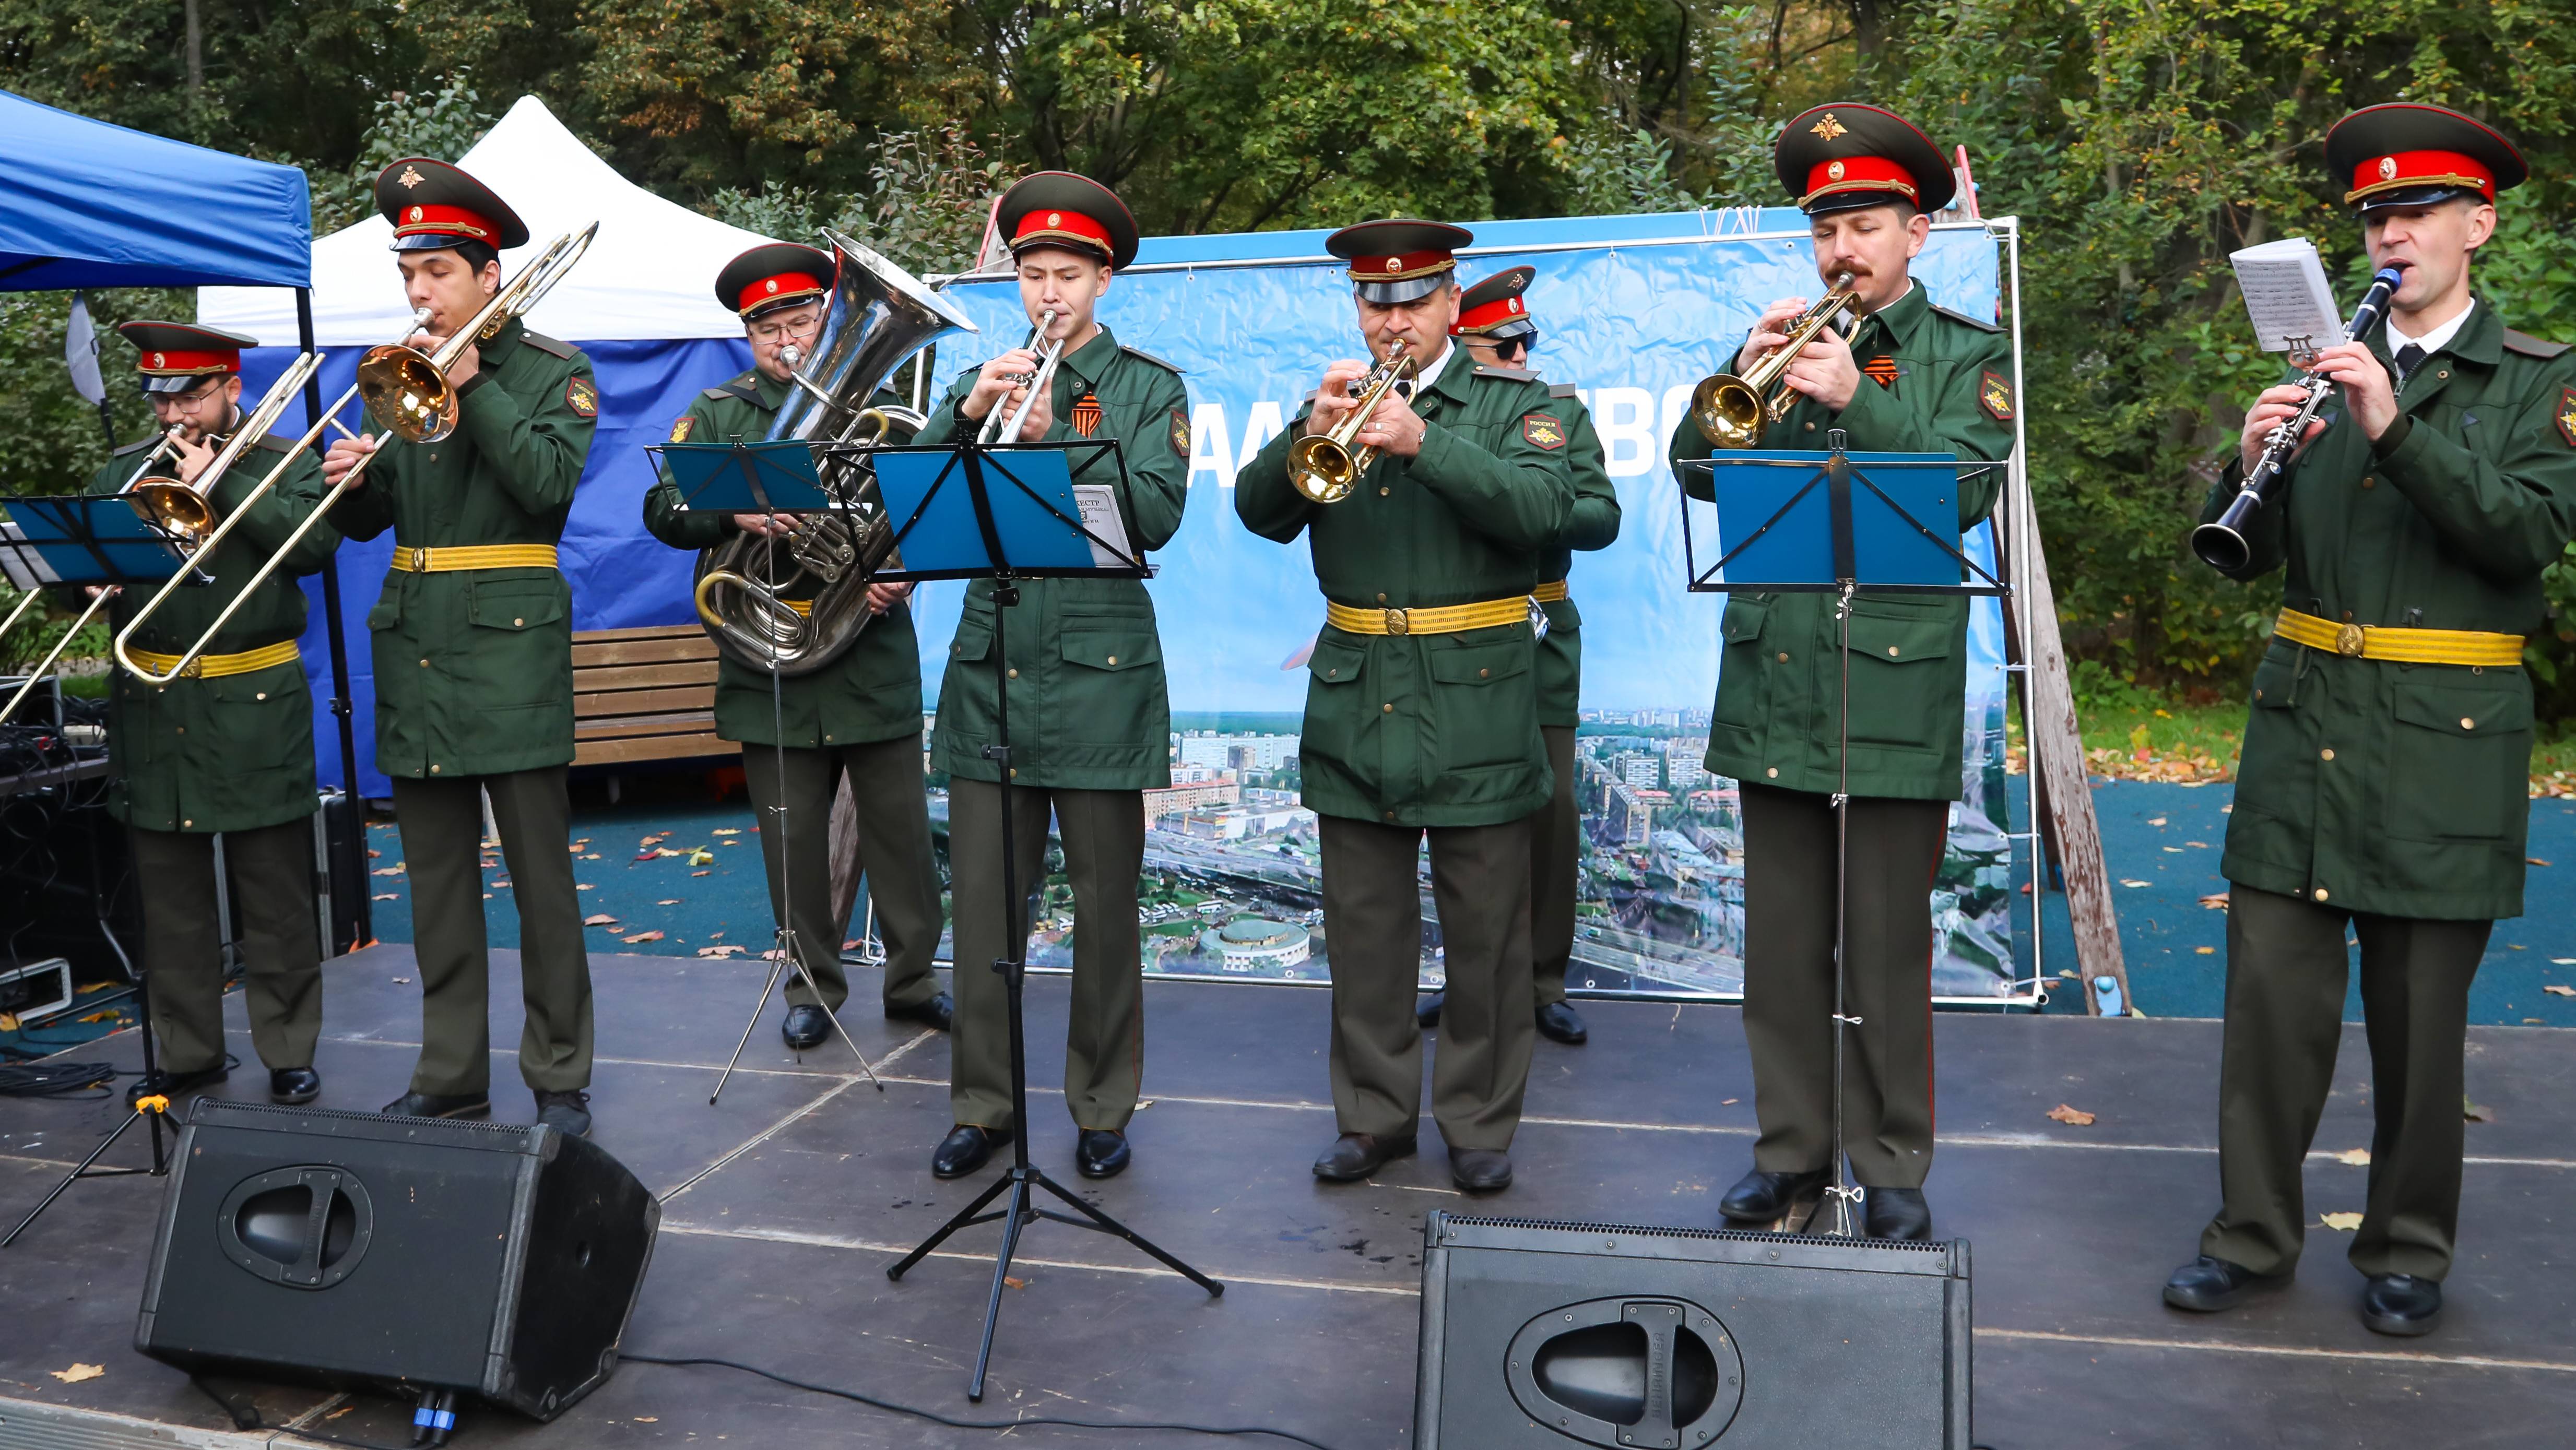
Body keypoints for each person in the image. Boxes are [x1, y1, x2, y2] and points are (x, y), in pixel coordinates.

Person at [2162, 103, 2576, 1338]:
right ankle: (2249, 1238)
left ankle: (2404, 1248)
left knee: (2418, 1026)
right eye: (2375, 217)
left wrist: (2391, 425)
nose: (2391, 236)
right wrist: (2244, 466)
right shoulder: (2318, 367)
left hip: (2443, 736)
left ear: (2478, 224)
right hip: (2306, 724)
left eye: (2415, 213)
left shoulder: (2543, 379)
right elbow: (2244, 557)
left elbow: (2524, 536)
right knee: (2270, 1013)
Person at [1665, 103, 2011, 1240]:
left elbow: (1965, 488)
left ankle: (1892, 1159)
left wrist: (1852, 396)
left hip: (1895, 685)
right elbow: (1694, 467)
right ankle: (1789, 1153)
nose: (1840, 252)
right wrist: (1745, 366)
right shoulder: (1784, 344)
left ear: (1917, 232)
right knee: (1778, 947)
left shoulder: (1968, 353)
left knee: (1884, 947)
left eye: (1863, 225)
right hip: (1776, 682)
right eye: (1825, 232)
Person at [1237, 220, 1574, 1193]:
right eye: (1376, 302)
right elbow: (1259, 514)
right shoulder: (1332, 402)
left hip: (1476, 693)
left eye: (1414, 301)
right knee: (1364, 927)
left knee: (1485, 933)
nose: (1394, 321)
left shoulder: (1513, 405)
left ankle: (1476, 1121)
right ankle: (1373, 1117)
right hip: (1356, 691)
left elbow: (1549, 516)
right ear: (1358, 308)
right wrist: (1309, 430)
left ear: (1450, 304)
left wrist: (1424, 442)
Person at [915, 172, 1189, 1183]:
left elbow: (1155, 514)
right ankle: (982, 1104)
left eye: (1066, 274)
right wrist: (964, 414)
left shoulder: (1147, 389)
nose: (1046, 294)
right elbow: (924, 497)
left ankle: (1100, 1104)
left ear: (1103, 280)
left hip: (1100, 674)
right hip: (994, 666)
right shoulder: (981, 380)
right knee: (983, 908)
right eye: (1031, 275)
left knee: (1106, 912)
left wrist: (1055, 455)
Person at [322, 158, 602, 1136]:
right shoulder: (396, 376)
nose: (419, 293)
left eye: (436, 271)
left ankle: (560, 1072)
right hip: (417, 645)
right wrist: (358, 481)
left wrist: (473, 386)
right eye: (410, 275)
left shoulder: (555, 370)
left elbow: (544, 488)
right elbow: (380, 524)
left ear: (488, 276)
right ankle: (451, 1072)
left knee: (541, 882)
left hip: (510, 646)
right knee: (436, 883)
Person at [642, 241, 952, 1051]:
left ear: (827, 321)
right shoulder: (718, 413)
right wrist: (730, 514)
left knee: (903, 840)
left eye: (800, 321)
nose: (786, 340)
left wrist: (902, 568)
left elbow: (929, 517)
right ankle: (811, 984)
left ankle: (915, 980)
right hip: (767, 661)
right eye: (767, 328)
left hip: (867, 655)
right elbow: (662, 511)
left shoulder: (883, 412)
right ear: (748, 338)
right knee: (790, 840)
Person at [86, 322, 339, 1107]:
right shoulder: (121, 472)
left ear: (233, 388)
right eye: (161, 399)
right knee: (172, 900)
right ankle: (189, 1049)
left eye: (190, 396)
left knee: (276, 896)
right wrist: (87, 589)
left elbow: (316, 545)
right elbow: (91, 568)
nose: (174, 417)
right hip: (157, 703)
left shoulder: (283, 461)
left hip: (255, 700)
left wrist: (221, 482)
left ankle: (288, 1048)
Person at [1414, 266, 1620, 1048]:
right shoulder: (1416, 411)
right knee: (1452, 814)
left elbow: (1599, 515)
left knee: (1549, 811)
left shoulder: (1555, 412)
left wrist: (1527, 506)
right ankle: (1462, 976)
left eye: (1522, 343)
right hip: (1447, 632)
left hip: (1536, 625)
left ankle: (1540, 979)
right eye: (1497, 345)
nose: (1516, 356)